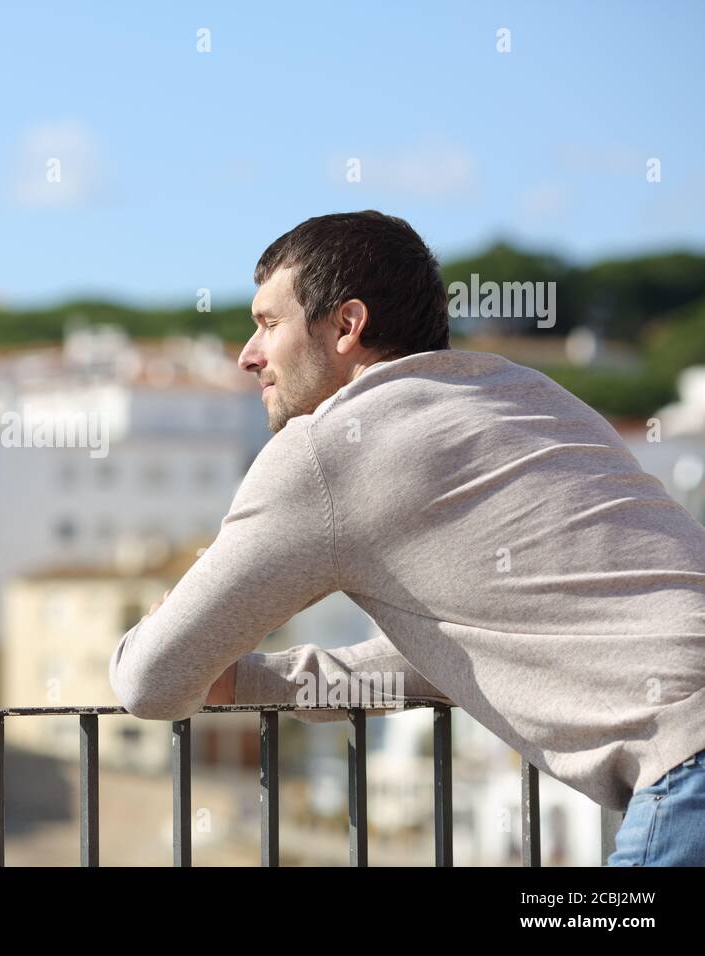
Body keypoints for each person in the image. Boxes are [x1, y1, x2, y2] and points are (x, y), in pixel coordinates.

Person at [107, 210, 705, 866]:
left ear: (346, 326)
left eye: (268, 324)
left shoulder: (328, 449)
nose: (248, 355)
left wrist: (161, 648)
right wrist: (256, 683)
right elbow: (466, 654)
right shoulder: (527, 395)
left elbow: (150, 682)